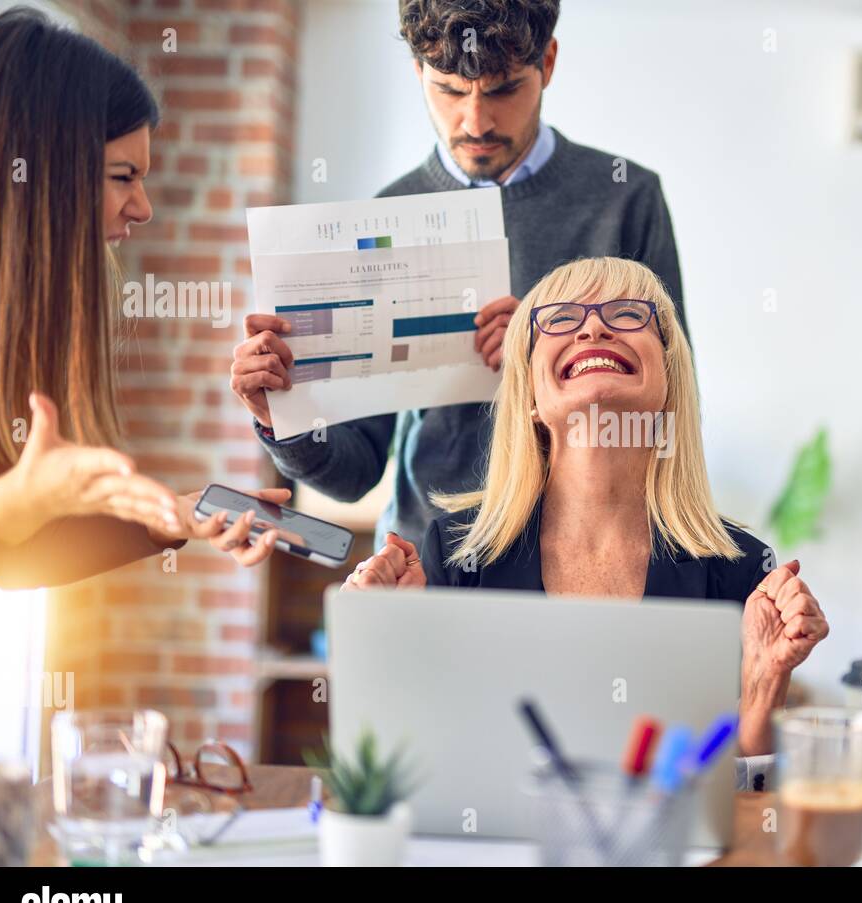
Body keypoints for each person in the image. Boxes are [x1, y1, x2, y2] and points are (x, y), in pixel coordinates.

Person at [340, 257, 828, 786]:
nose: (594, 328)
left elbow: (740, 809)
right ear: (528, 396)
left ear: (669, 379)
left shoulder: (739, 569)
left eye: (626, 314)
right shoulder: (453, 557)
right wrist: (381, 642)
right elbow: (409, 772)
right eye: (561, 319)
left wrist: (764, 682)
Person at [231, 0, 686, 548]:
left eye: (502, 90)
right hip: (423, 558)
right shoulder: (384, 216)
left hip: (587, 555)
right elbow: (355, 473)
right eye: (448, 90)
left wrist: (553, 359)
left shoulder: (625, 199)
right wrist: (281, 417)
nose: (476, 123)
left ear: (548, 61)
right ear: (418, 72)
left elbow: (673, 422)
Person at [0, 8, 283, 588]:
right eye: (122, 176)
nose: (143, 208)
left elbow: (14, 556)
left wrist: (175, 516)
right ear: (38, 173)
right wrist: (18, 497)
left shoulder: (7, 324)